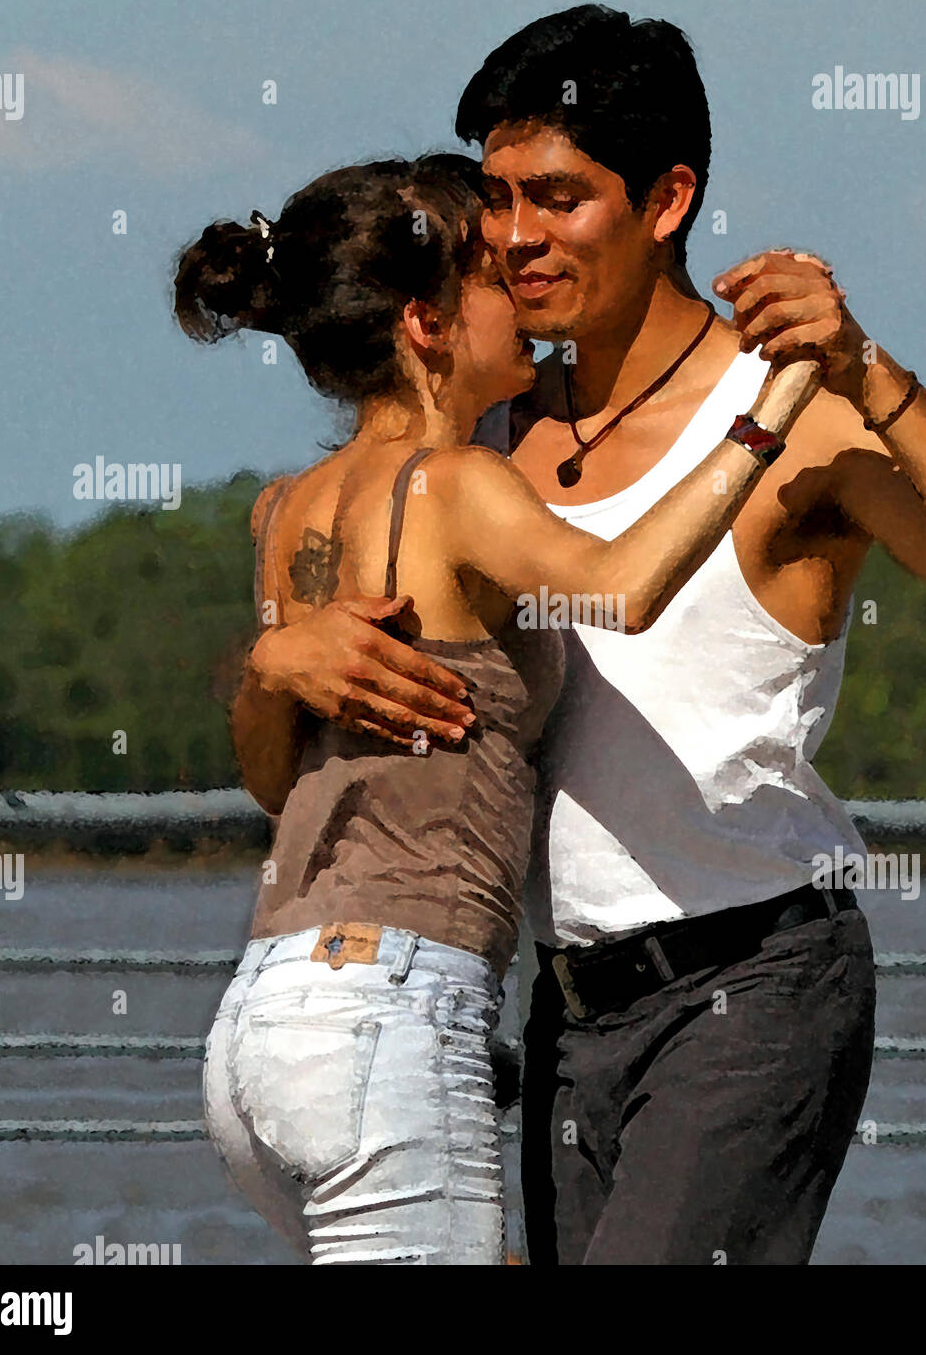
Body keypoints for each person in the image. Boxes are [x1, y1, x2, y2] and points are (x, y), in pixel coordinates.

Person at [238, 5, 926, 1265]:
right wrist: (267, 662)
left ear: (668, 198)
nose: (517, 237)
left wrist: (869, 371)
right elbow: (297, 741)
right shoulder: (476, 431)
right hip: (553, 1013)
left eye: (560, 197)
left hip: (751, 987)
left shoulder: (786, 406)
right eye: (498, 201)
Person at [179, 153, 817, 1264]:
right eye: (487, 274)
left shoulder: (283, 511)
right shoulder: (458, 484)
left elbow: (277, 781)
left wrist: (269, 661)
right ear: (426, 323)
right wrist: (767, 419)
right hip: (391, 1008)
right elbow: (616, 587)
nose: (520, 289)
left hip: (262, 1024)